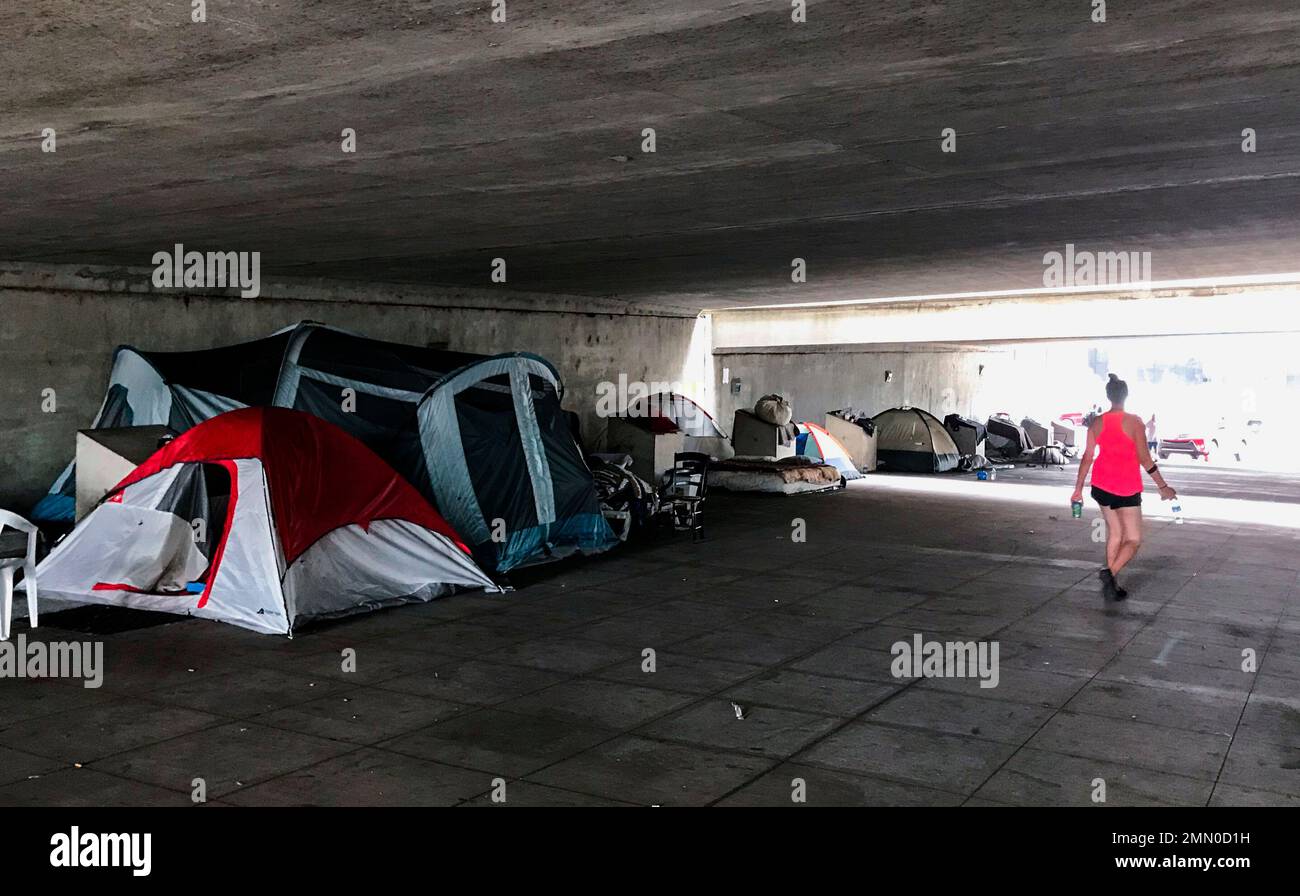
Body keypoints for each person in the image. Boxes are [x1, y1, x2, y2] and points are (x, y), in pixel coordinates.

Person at [1071, 374, 1177, 600]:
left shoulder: (1097, 422)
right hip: (1126, 488)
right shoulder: (1134, 422)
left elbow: (1088, 457)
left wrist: (1078, 489)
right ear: (1126, 396)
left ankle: (1112, 586)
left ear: (1108, 396)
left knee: (1116, 533)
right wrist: (1163, 487)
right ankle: (1109, 573)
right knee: (1134, 540)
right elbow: (1145, 459)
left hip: (1100, 485)